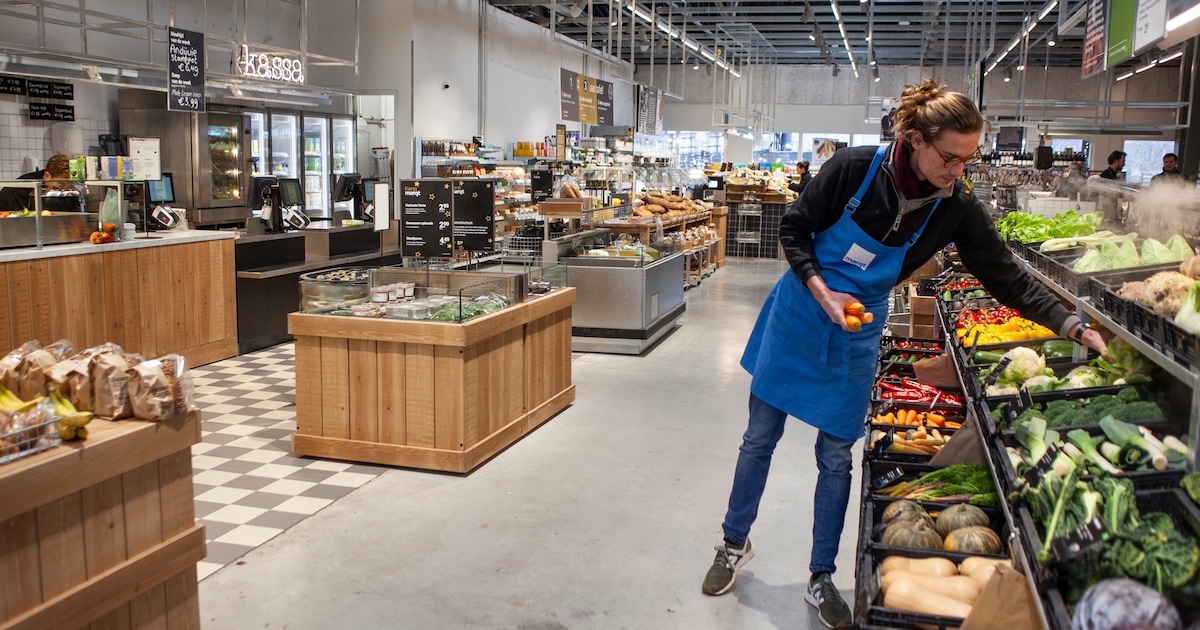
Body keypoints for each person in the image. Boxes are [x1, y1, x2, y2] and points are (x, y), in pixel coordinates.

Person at [699, 79, 1107, 628]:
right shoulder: (852, 170)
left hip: (857, 332)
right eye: (949, 157)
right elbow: (794, 230)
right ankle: (732, 543)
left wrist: (1070, 323)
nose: (958, 170)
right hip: (799, 313)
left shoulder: (954, 206)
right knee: (759, 438)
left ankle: (821, 575)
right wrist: (823, 291)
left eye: (968, 159)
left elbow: (1004, 274)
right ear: (916, 139)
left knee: (836, 458)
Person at [0, 154, 72, 211]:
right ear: (47, 176)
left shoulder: (66, 191)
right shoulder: (23, 188)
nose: (65, 188)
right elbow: (22, 217)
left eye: (69, 183)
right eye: (62, 183)